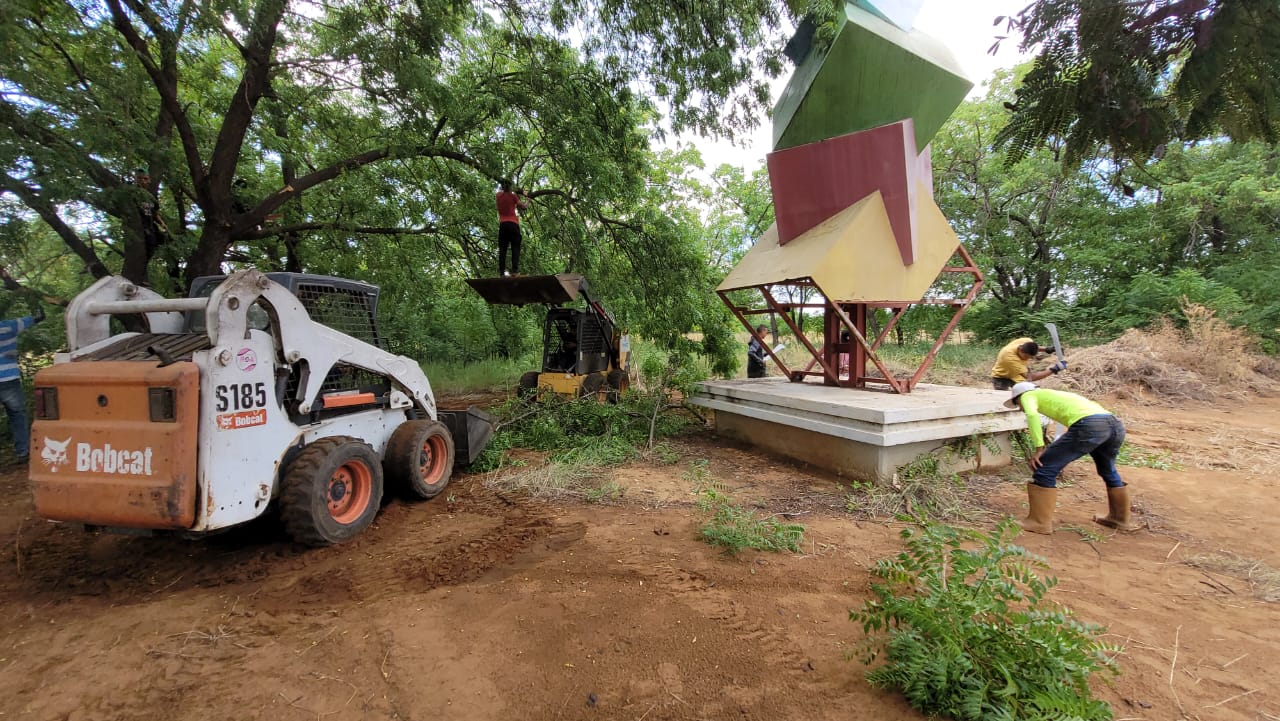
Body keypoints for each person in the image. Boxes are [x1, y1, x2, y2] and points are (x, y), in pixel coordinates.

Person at [1005, 381, 1139, 534]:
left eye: (1017, 404)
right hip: (1114, 424)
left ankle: (1038, 521)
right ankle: (1119, 518)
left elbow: (1031, 415)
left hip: (1090, 425)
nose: (1020, 408)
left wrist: (1039, 448)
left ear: (1019, 397)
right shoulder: (1055, 394)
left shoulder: (1028, 396)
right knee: (1107, 469)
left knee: (1044, 466)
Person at [0, 303, 46, 463]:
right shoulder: (9, 327)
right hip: (9, 380)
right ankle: (23, 452)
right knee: (17, 415)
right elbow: (39, 317)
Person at [990, 337, 1066, 390]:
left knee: (1027, 392)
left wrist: (1047, 349)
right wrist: (1054, 369)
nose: (1028, 359)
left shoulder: (1025, 341)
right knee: (1002, 397)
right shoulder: (1009, 358)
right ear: (1020, 350)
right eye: (1027, 357)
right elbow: (1031, 377)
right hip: (1002, 377)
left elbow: (1033, 347)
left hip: (1016, 374)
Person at [495, 181, 530, 277]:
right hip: (513, 224)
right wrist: (528, 199)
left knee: (502, 249)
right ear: (510, 187)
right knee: (515, 247)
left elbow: (503, 190)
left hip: (503, 225)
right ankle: (514, 271)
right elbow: (524, 207)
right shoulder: (513, 196)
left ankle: (502, 272)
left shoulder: (498, 196)